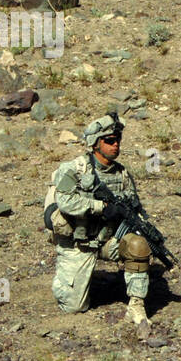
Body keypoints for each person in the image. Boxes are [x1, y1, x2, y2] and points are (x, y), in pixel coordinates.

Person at [49, 112, 154, 328]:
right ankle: (76, 280)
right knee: (74, 307)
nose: (115, 145)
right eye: (109, 141)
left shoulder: (122, 174)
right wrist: (100, 207)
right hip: (79, 244)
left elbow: (135, 206)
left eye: (118, 140)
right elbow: (65, 202)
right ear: (95, 143)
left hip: (108, 240)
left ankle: (136, 305)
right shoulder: (74, 169)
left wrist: (142, 228)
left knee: (138, 245)